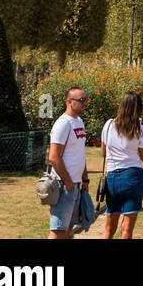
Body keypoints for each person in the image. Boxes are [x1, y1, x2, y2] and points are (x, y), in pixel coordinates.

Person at [101, 91, 143, 240]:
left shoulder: (108, 125)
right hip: (133, 176)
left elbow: (103, 152)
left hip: (113, 176)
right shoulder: (139, 129)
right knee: (127, 227)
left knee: (109, 226)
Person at [47, 88, 90, 239]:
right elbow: (53, 157)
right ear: (69, 102)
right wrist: (68, 181)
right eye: (81, 100)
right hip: (63, 185)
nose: (84, 103)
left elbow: (80, 153)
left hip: (76, 184)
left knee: (68, 229)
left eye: (85, 100)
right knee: (58, 230)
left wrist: (85, 179)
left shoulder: (79, 122)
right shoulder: (63, 124)